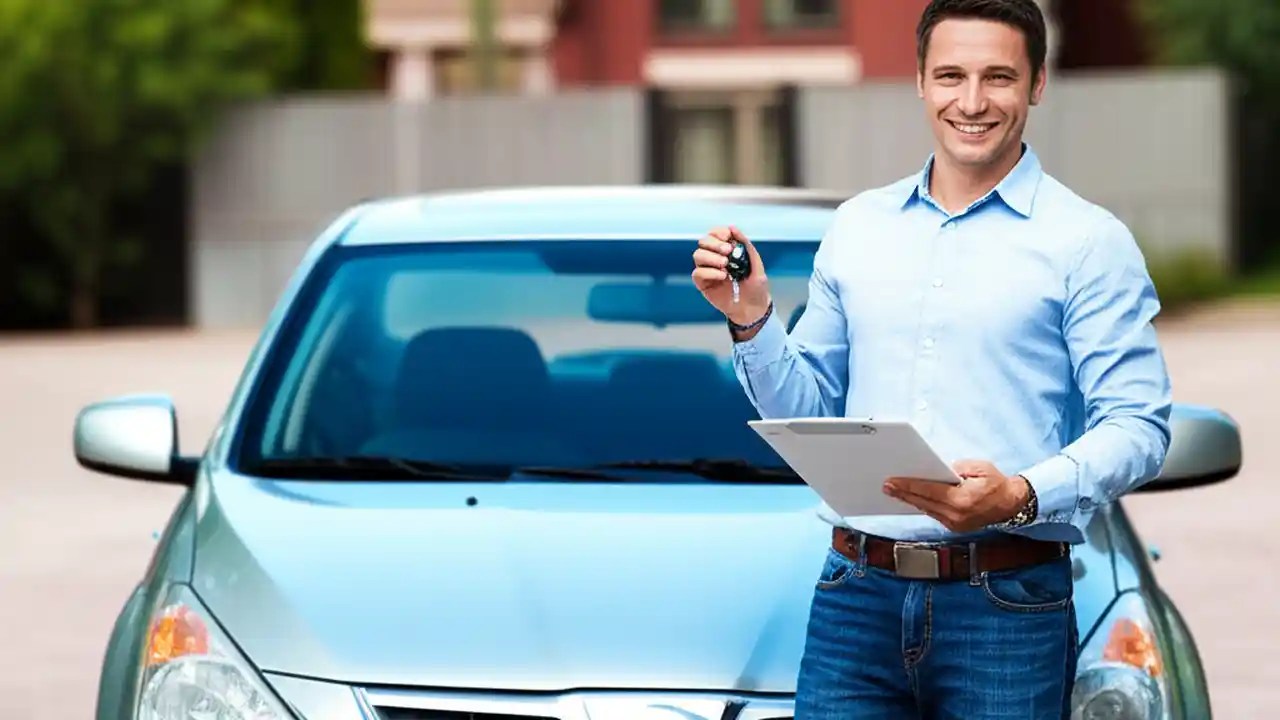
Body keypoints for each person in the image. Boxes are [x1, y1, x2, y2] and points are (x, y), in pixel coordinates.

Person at [691, 0, 1173, 718]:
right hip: (854, 596)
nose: (972, 102)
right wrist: (753, 319)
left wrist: (1022, 493)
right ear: (920, 81)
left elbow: (1139, 425)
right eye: (950, 75)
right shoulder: (859, 228)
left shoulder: (1087, 243)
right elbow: (811, 414)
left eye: (998, 77)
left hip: (1005, 605)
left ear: (1036, 83)